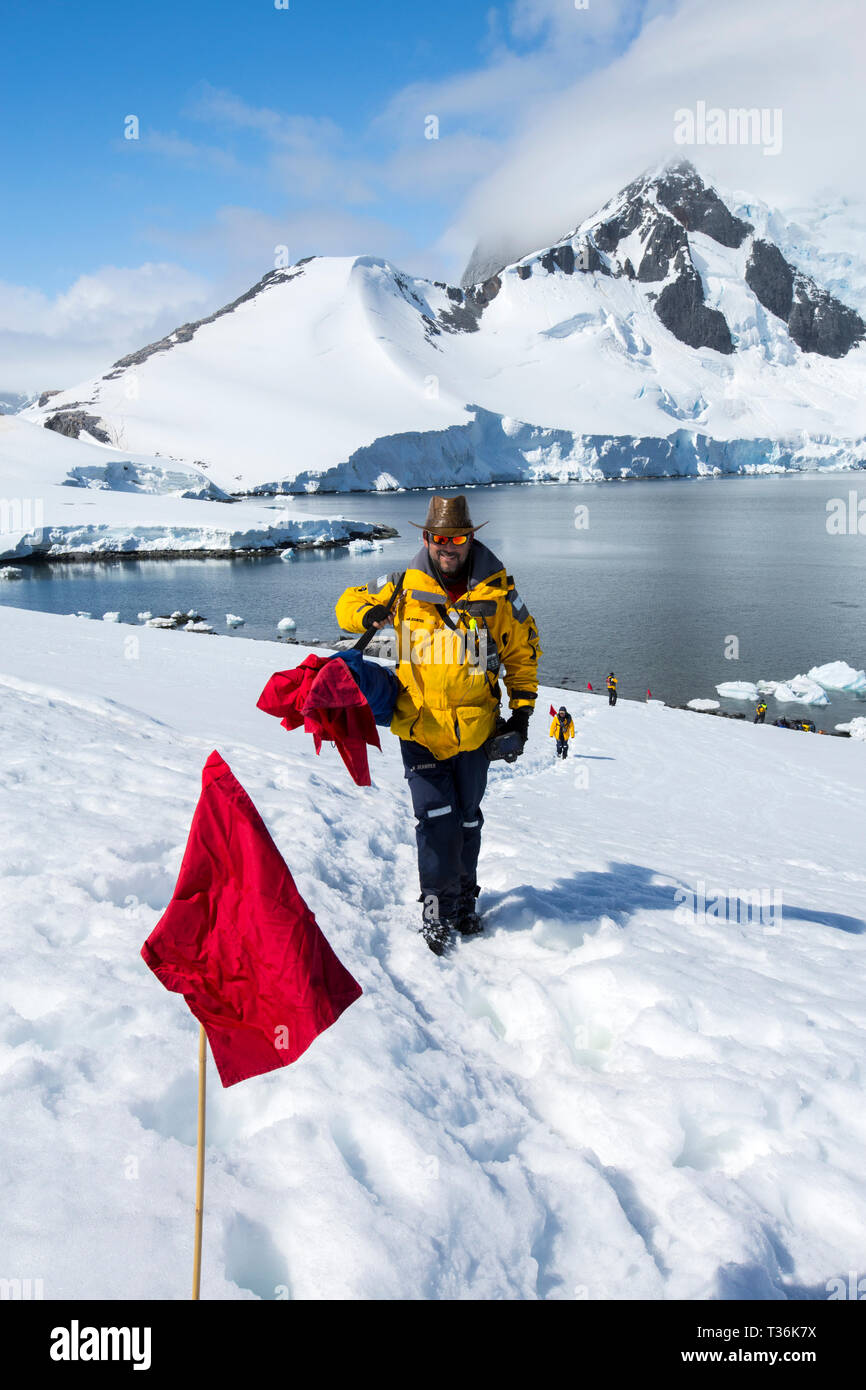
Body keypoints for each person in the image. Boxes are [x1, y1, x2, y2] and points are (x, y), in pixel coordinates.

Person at [335, 495, 541, 955]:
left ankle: (464, 904)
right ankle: (435, 913)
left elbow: (521, 657)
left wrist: (522, 715)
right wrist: (369, 615)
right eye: (440, 538)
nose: (448, 547)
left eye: (458, 538)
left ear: (471, 538)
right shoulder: (401, 586)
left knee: (467, 822)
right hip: (420, 730)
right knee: (434, 823)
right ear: (427, 538)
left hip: (475, 734)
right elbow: (346, 603)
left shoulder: (498, 593)